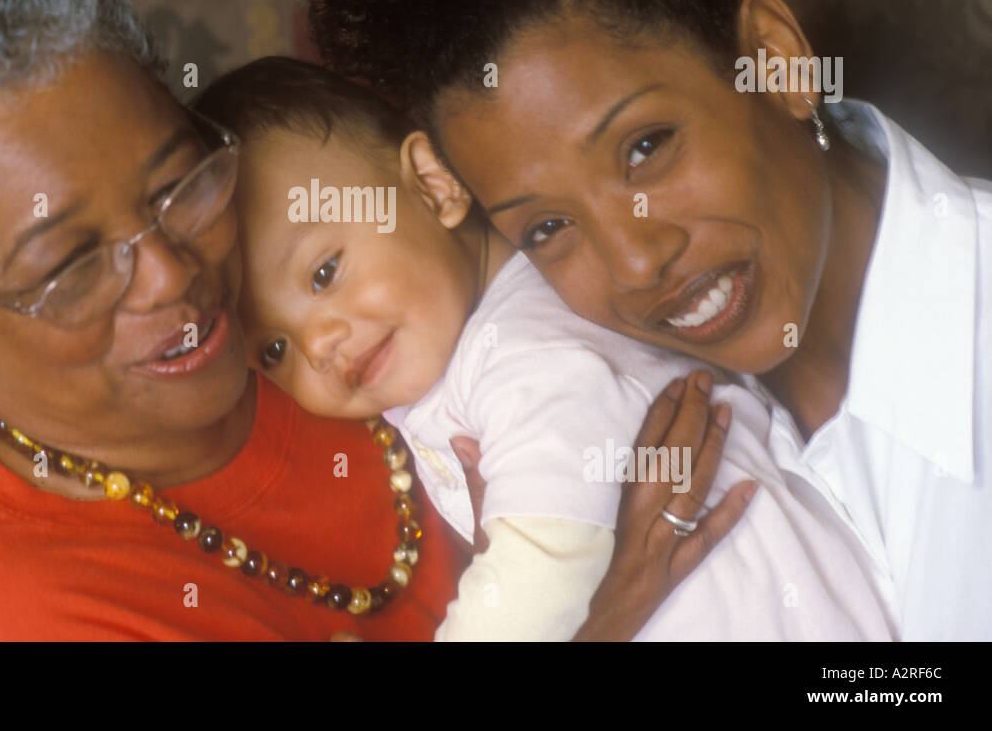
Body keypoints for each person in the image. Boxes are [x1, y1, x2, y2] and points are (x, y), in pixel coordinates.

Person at [0, 0, 745, 641]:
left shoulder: (287, 203)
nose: (174, 275)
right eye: (68, 266)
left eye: (176, 184)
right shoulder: (26, 617)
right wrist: (598, 621)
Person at [303, 0, 992, 639]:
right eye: (548, 229)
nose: (635, 263)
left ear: (774, 62)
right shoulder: (593, 424)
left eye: (644, 147)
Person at [195, 55, 891, 640]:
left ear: (433, 185)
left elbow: (544, 567)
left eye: (324, 273)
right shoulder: (462, 358)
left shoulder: (526, 347)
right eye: (275, 349)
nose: (318, 345)